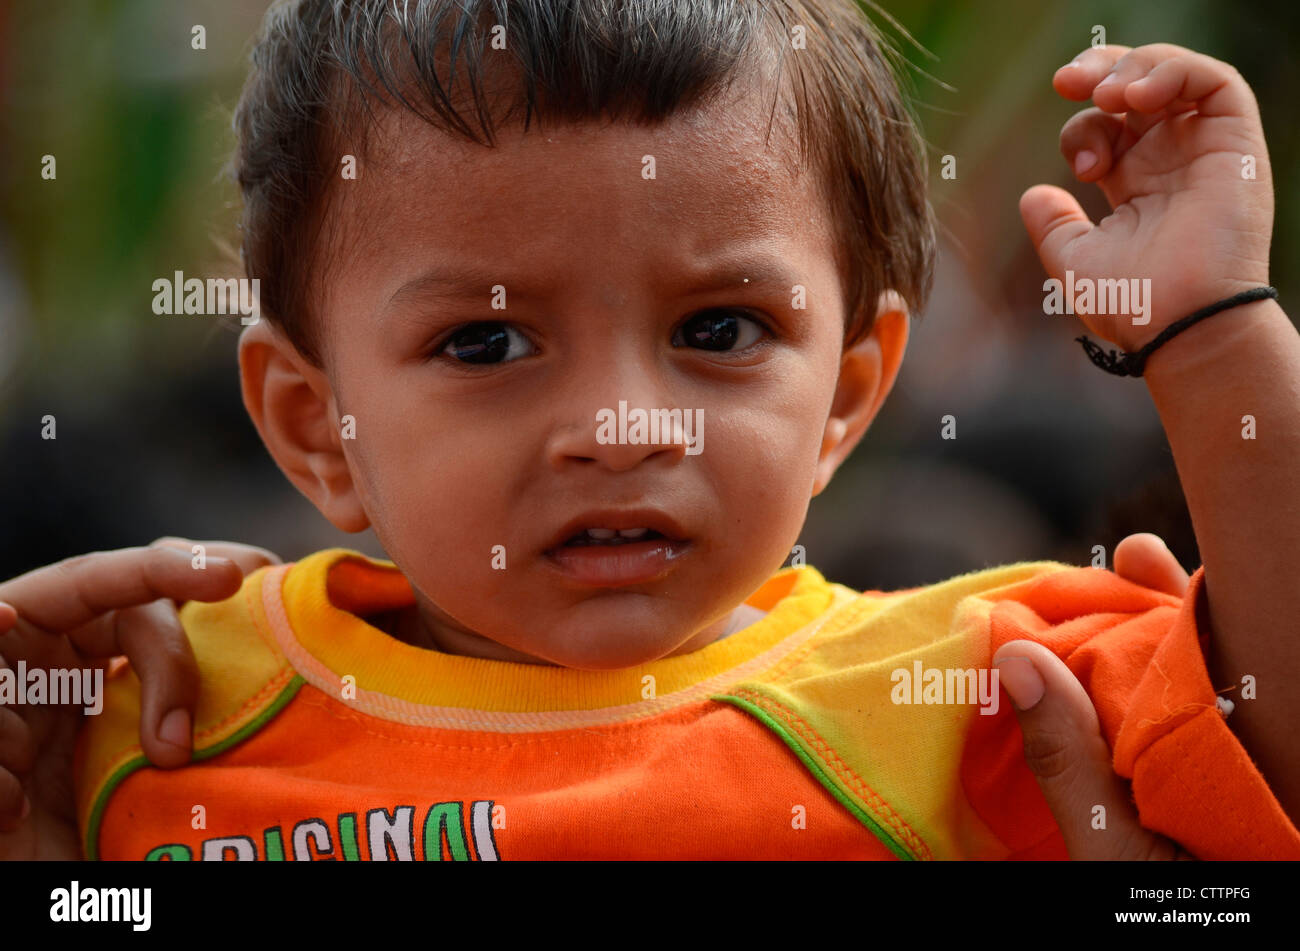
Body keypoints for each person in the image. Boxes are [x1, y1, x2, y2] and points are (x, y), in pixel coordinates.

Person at [3, 0, 1298, 859]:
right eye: (488, 343)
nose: (618, 427)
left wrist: (1220, 340)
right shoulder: (156, 710)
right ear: (317, 427)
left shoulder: (973, 695)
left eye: (719, 330)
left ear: (848, 392)